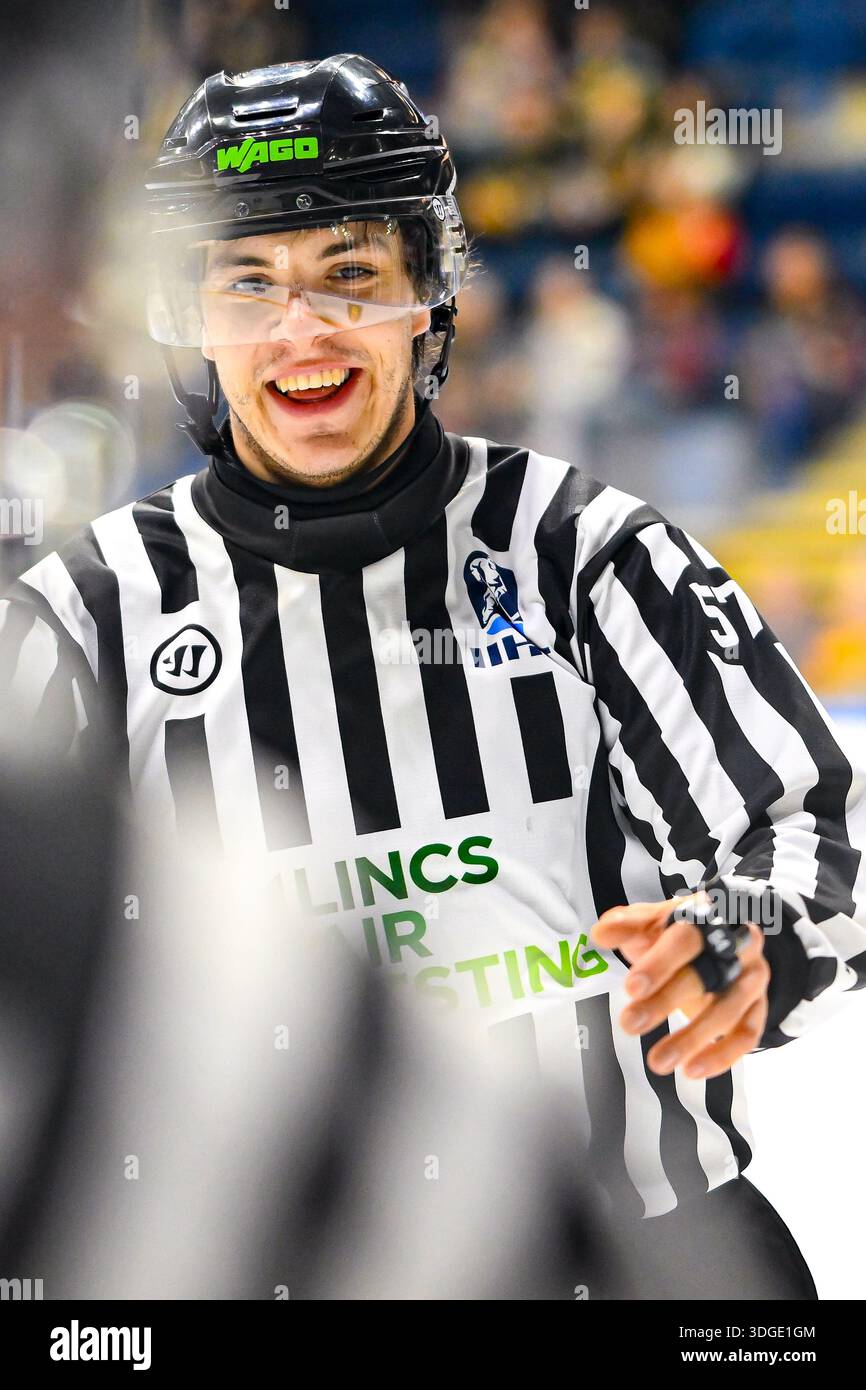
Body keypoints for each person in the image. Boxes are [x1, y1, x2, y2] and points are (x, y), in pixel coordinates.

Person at [3, 53, 865, 1299]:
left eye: (350, 274)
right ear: (187, 322)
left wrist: (746, 936)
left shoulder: (587, 557)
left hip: (629, 1264)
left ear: (428, 295)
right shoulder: (76, 627)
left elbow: (807, 835)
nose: (303, 328)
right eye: (248, 285)